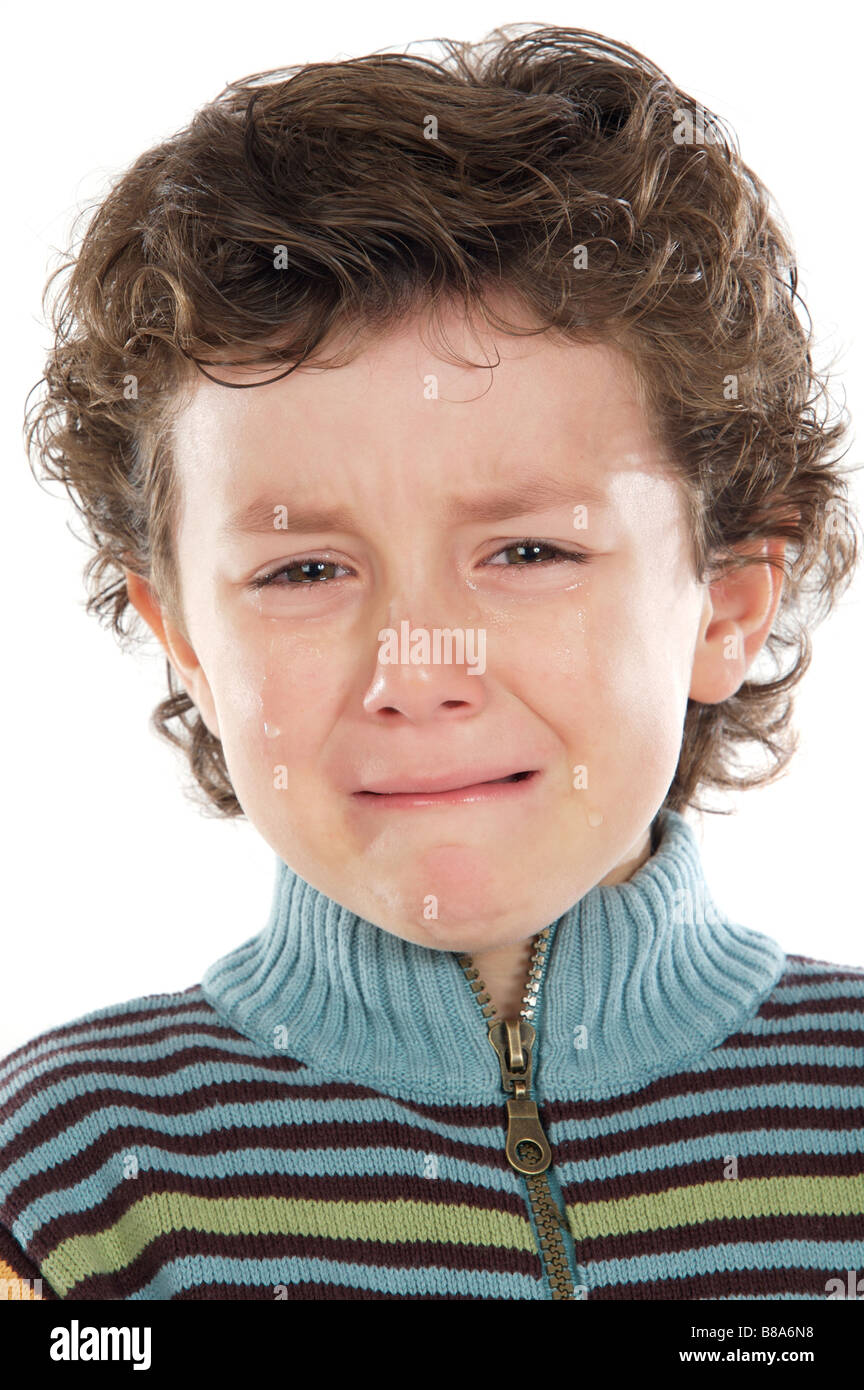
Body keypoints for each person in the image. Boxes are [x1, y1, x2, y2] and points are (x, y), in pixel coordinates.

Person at [2, 24, 862, 1301]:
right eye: (303, 570)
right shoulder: (71, 1191)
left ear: (726, 604)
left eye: (527, 551)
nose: (417, 667)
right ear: (185, 636)